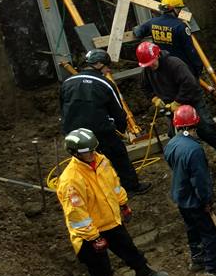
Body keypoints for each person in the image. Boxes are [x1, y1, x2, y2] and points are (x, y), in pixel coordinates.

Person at [57, 128, 169, 276]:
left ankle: (143, 273)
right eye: (88, 152)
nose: (93, 154)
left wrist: (123, 204)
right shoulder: (71, 180)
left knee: (129, 248)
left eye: (94, 149)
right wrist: (93, 237)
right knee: (99, 265)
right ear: (75, 154)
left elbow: (114, 184)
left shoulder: (102, 161)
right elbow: (77, 215)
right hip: (88, 232)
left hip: (110, 220)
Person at [60, 49, 151, 195]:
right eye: (108, 66)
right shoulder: (104, 83)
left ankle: (93, 191)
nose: (109, 69)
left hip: (74, 133)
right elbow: (118, 112)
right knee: (118, 155)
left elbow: (63, 108)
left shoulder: (68, 82)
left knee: (84, 163)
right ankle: (131, 187)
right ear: (98, 64)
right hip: (101, 130)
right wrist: (120, 130)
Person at [164, 106, 216, 276]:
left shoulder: (172, 143)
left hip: (180, 197)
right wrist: (207, 200)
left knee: (192, 229)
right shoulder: (194, 150)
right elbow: (200, 180)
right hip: (195, 200)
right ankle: (213, 267)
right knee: (210, 233)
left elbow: (171, 163)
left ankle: (197, 259)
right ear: (195, 125)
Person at [137, 41, 216, 156]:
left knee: (206, 129)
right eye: (147, 64)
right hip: (171, 107)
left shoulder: (174, 64)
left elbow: (189, 84)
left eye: (151, 62)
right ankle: (187, 161)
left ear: (158, 55)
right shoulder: (147, 71)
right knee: (175, 136)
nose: (150, 66)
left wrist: (178, 101)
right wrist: (154, 98)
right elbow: (144, 87)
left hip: (192, 101)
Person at [133, 0, 201, 77]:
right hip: (182, 69)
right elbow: (190, 50)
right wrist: (198, 67)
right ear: (174, 9)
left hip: (164, 68)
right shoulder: (180, 26)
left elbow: (138, 32)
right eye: (179, 9)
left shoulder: (152, 22)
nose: (180, 11)